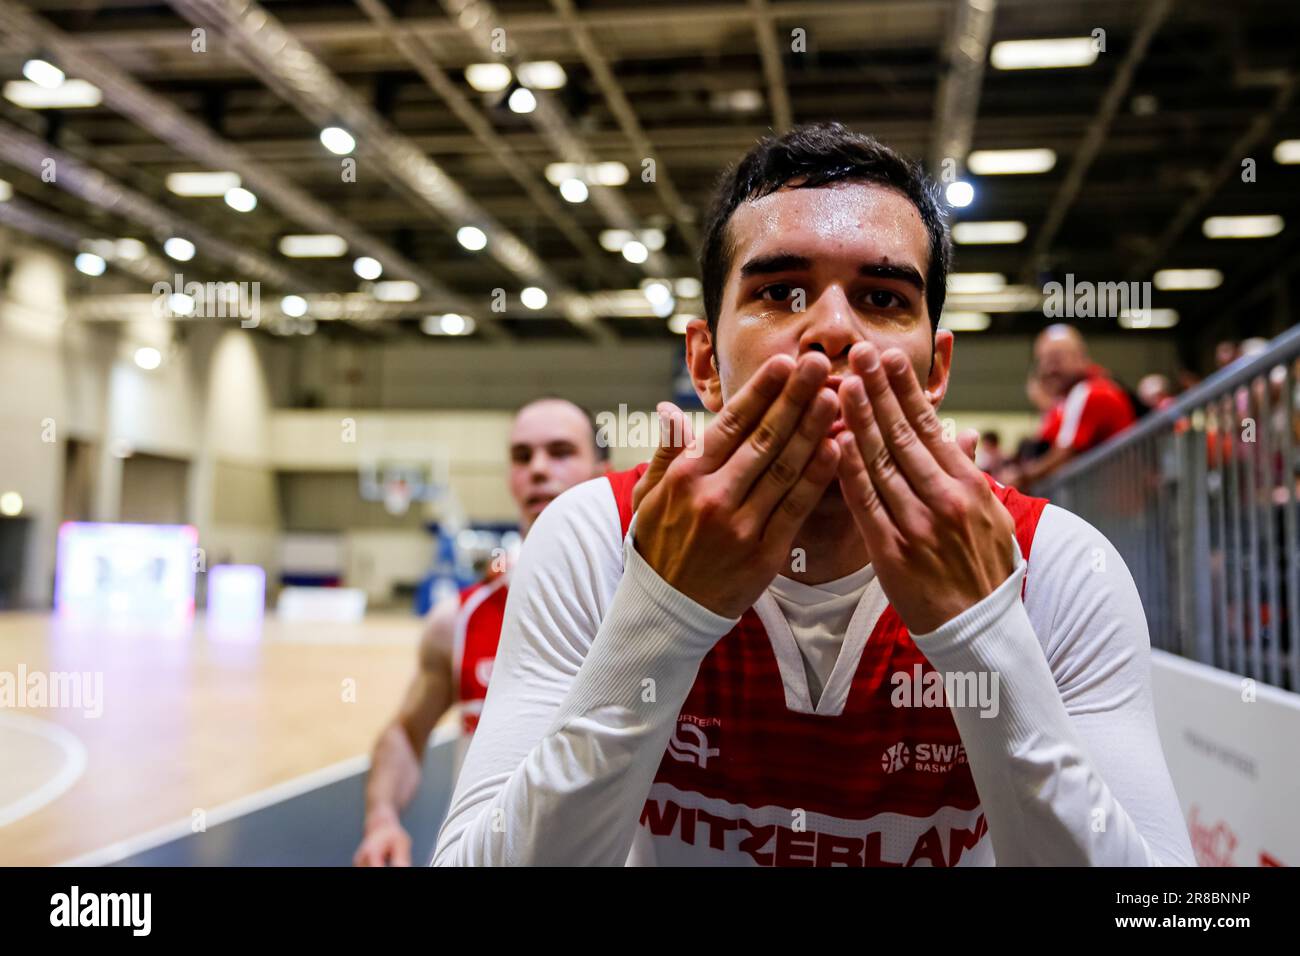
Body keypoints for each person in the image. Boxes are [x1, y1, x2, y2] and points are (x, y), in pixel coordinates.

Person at [433, 122, 1194, 866]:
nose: (832, 329)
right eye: (781, 291)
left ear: (935, 371)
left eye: (884, 298)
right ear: (703, 362)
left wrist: (982, 633)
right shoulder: (593, 539)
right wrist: (661, 615)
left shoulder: (1058, 565)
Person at [353, 397, 608, 866]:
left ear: (600, 471)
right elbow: (406, 734)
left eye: (560, 451)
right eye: (521, 456)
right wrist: (382, 818)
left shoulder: (637, 612)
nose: (537, 468)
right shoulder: (458, 621)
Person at [1007, 324, 1137, 487]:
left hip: (1115, 499)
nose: (1048, 370)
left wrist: (1021, 478)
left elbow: (1064, 454)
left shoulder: (1088, 392)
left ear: (1081, 358)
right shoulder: (1078, 396)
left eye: (1056, 359)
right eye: (1043, 361)